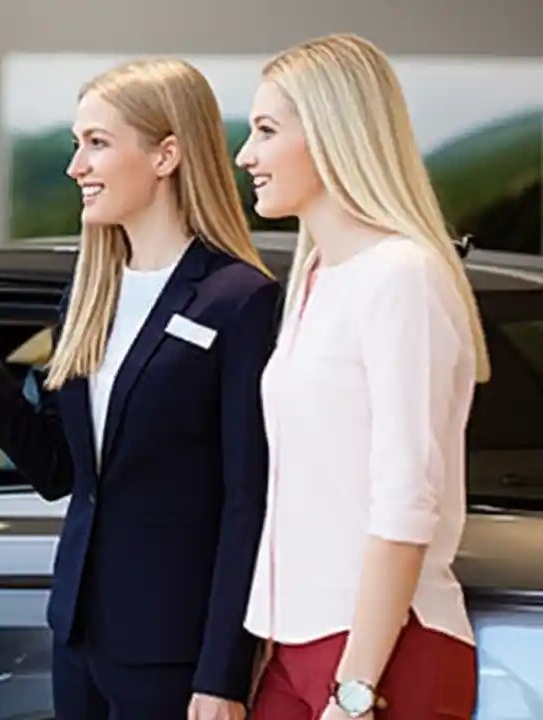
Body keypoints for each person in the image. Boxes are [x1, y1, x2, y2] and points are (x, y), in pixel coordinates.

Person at [0, 57, 281, 720]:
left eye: (97, 144)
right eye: (76, 144)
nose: (75, 167)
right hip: (81, 636)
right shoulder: (89, 297)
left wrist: (223, 672)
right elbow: (58, 469)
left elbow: (247, 502)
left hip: (177, 650)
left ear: (167, 154)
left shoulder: (240, 301)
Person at [235, 33, 488, 720]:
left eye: (264, 130)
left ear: (331, 135)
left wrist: (352, 689)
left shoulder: (403, 275)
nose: (245, 155)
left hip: (384, 654)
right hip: (292, 645)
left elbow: (406, 500)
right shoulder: (313, 279)